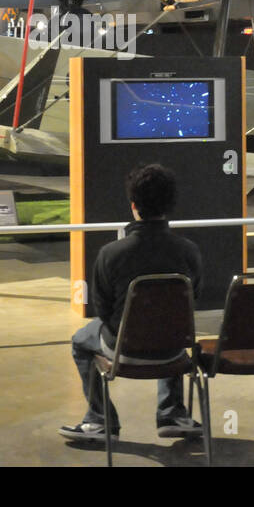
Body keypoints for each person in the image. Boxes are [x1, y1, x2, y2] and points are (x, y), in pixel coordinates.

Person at [60, 163, 203, 443]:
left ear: (134, 205)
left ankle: (100, 420)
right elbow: (189, 303)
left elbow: (103, 309)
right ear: (170, 204)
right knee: (170, 321)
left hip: (123, 348)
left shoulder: (110, 253)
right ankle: (172, 412)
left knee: (80, 340)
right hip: (173, 352)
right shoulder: (189, 251)